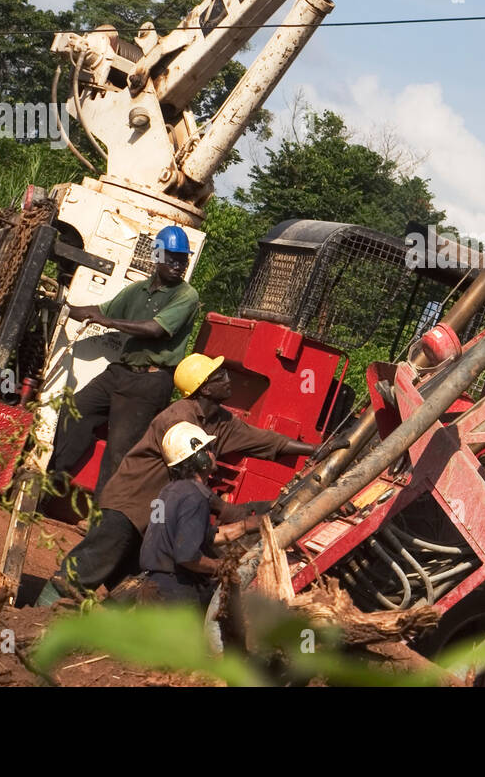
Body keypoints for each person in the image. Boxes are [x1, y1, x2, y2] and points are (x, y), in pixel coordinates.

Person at [34, 352, 345, 606]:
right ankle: (35, 615)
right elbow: (187, 473)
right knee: (91, 564)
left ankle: (108, 635)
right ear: (204, 389)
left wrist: (318, 448)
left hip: (155, 514)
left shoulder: (221, 421)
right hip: (129, 504)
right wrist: (224, 507)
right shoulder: (178, 419)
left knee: (138, 578)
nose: (228, 379)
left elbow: (267, 442)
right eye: (219, 376)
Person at [50, 225, 200, 501]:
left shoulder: (186, 295)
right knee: (75, 409)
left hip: (150, 381)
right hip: (120, 372)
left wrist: (109, 323)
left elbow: (155, 329)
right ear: (157, 255)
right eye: (172, 258)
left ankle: (101, 520)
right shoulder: (138, 290)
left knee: (119, 450)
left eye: (183, 259)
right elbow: (102, 311)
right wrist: (65, 308)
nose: (179, 265)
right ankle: (55, 479)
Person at [136, 421, 235, 605]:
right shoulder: (194, 497)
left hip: (152, 586)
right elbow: (187, 556)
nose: (214, 453)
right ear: (200, 457)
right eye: (209, 449)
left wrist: (247, 526)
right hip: (174, 593)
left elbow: (193, 535)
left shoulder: (169, 491)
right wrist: (221, 567)